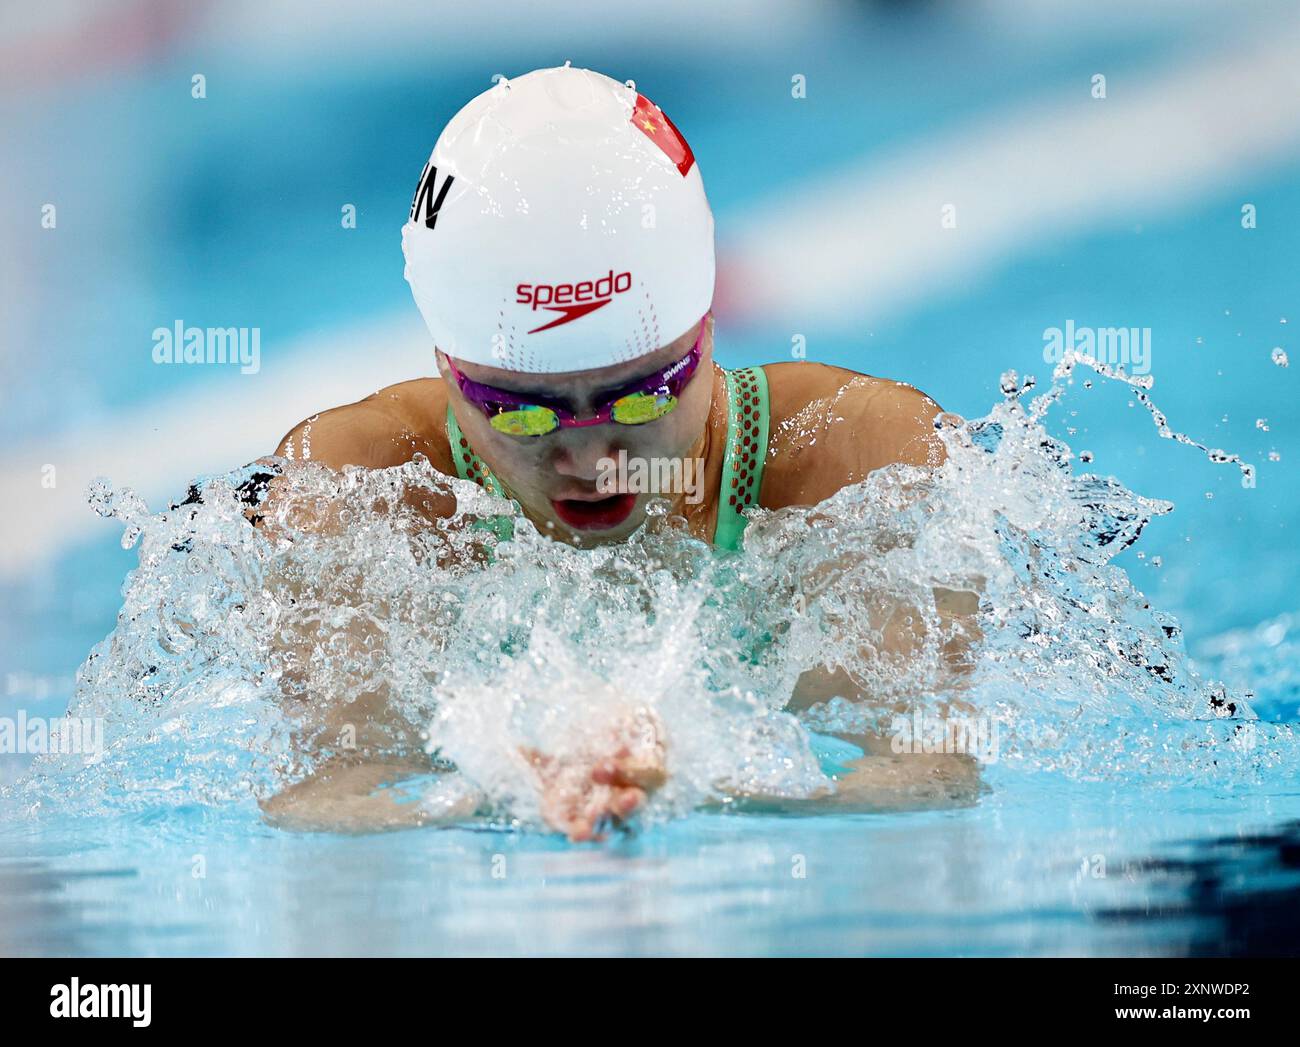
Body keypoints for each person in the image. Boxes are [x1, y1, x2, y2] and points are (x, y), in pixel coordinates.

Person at [259, 64, 980, 841]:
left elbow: (923, 783)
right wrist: (507, 792)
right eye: (521, 412)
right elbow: (329, 802)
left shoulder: (855, 464)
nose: (590, 457)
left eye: (639, 397)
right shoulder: (363, 494)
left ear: (705, 330)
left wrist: (694, 777)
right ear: (448, 368)